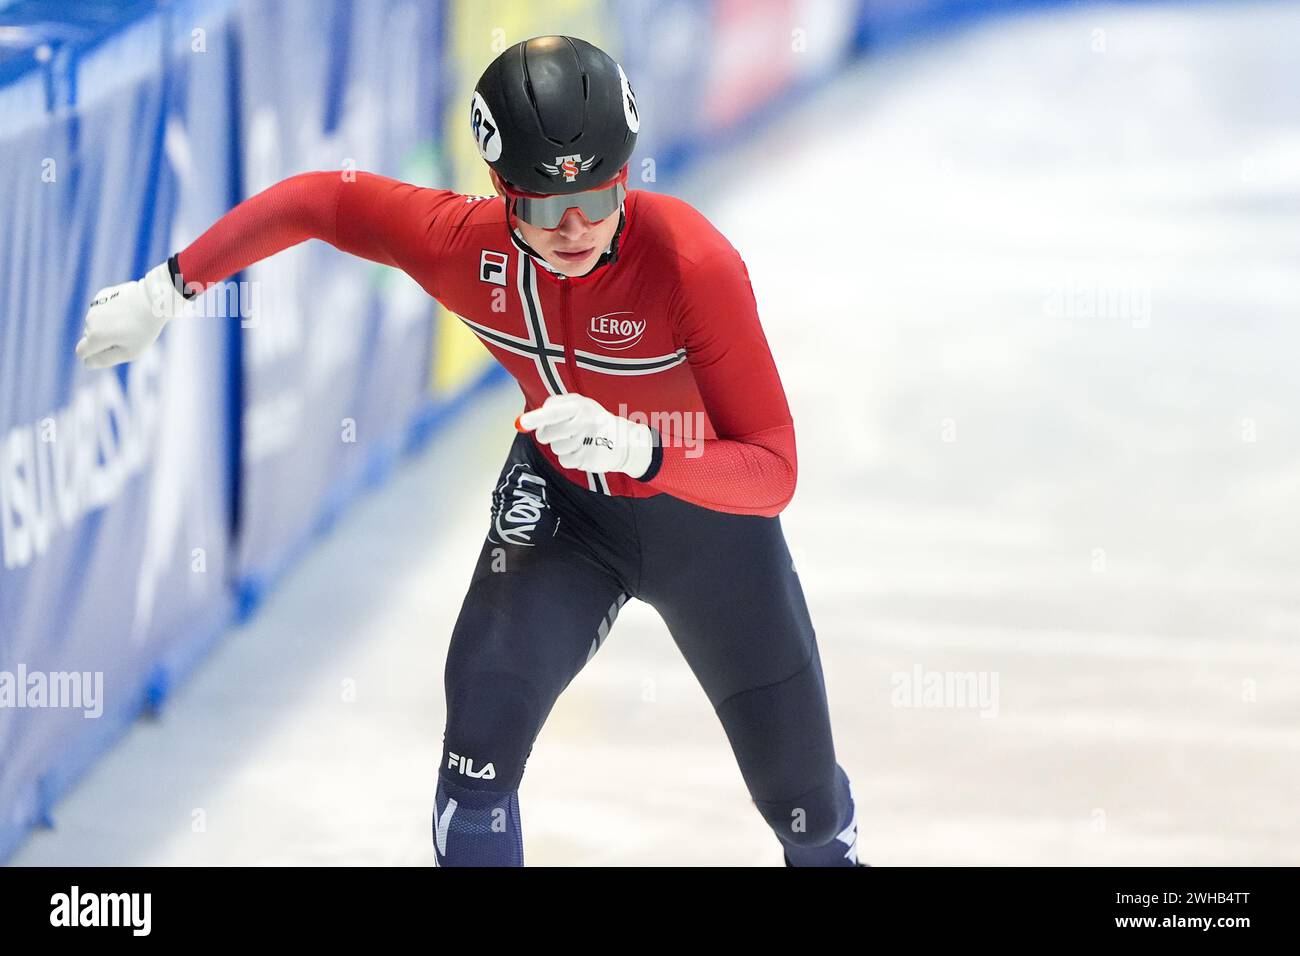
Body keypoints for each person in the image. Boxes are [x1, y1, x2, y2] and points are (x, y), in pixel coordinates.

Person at [76, 35, 860, 867]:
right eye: (548, 207)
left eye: (599, 198)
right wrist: (170, 287)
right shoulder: (458, 245)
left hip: (711, 531)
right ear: (499, 188)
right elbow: (316, 200)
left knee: (805, 812)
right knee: (476, 763)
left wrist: (644, 451)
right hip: (567, 520)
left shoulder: (691, 262)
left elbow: (774, 471)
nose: (576, 228)